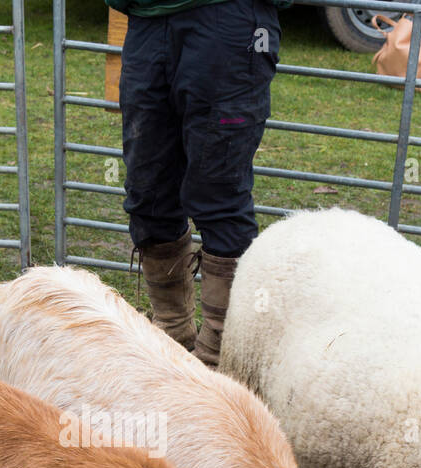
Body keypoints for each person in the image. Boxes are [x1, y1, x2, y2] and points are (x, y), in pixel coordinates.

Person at [109, 0, 288, 367]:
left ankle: (217, 356)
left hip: (229, 23)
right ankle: (171, 334)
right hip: (146, 19)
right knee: (148, 193)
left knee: (219, 193)